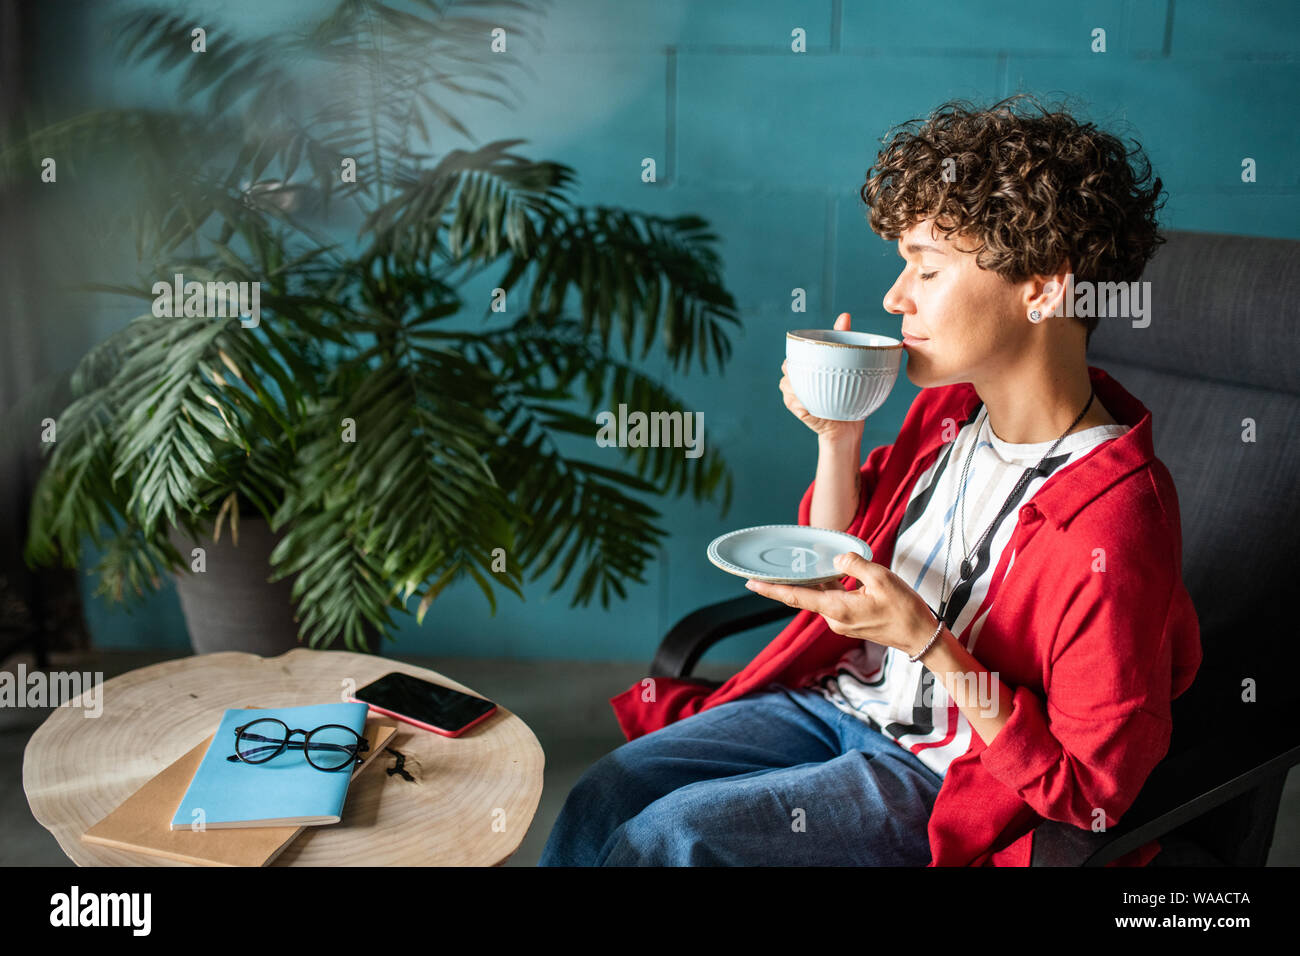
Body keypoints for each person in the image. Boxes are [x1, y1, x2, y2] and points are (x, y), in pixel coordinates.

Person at [538, 94, 1202, 867]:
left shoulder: (1114, 520)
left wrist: (928, 640)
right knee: (607, 790)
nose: (895, 298)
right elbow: (837, 550)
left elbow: (1088, 792)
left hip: (939, 771)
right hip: (837, 703)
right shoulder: (950, 416)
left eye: (927, 266)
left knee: (670, 840)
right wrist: (838, 434)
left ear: (1045, 290)